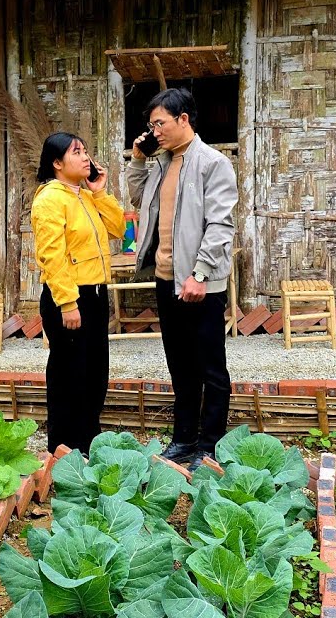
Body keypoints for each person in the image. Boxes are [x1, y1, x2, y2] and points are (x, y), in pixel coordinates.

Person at [128, 88, 237, 471]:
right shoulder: (161, 163)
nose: (154, 130)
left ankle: (211, 444)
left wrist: (200, 273)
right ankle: (184, 439)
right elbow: (141, 200)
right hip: (167, 279)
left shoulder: (213, 163)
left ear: (184, 119)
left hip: (200, 284)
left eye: (160, 123)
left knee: (210, 366)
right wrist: (139, 161)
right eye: (151, 125)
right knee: (180, 365)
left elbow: (221, 224)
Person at [30, 132, 124, 454]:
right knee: (69, 374)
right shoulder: (49, 199)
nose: (86, 157)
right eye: (76, 152)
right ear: (57, 163)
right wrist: (68, 302)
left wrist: (99, 192)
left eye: (85, 151)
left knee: (95, 373)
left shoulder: (83, 195)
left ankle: (88, 441)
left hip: (96, 294)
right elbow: (51, 255)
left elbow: (117, 229)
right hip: (69, 298)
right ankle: (63, 446)